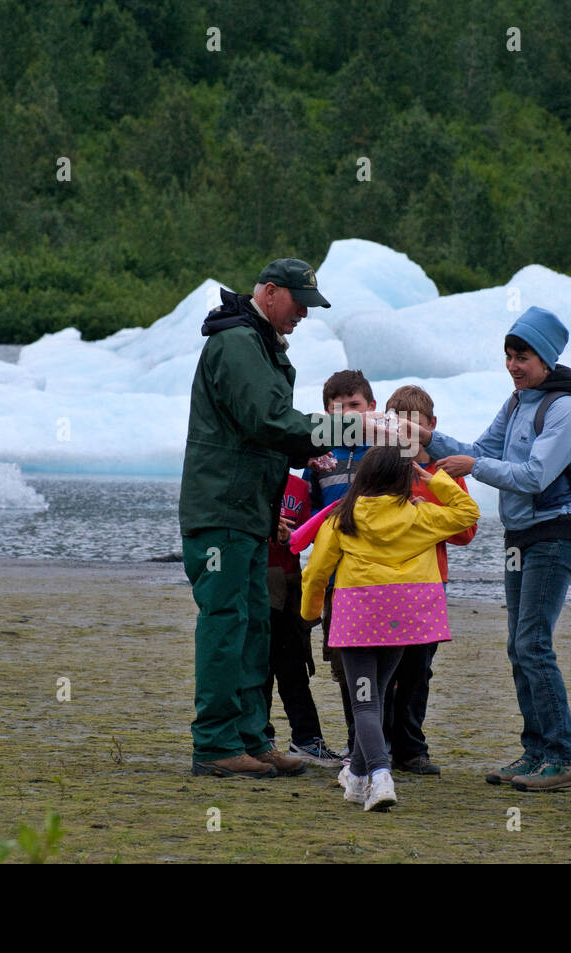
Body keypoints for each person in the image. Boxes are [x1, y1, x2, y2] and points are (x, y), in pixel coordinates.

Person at [179, 257, 356, 780]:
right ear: (271, 292)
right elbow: (268, 419)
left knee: (255, 625)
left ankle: (253, 739)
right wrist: (351, 431)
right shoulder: (237, 343)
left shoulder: (256, 341)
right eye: (299, 303)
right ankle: (214, 743)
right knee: (226, 624)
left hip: (249, 512)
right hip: (223, 510)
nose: (303, 313)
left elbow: (266, 429)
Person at [406, 306, 571, 792]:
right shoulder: (517, 403)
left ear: (546, 357)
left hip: (556, 535)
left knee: (533, 643)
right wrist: (430, 439)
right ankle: (537, 751)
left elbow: (532, 475)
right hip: (521, 537)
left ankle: (564, 756)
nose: (513, 364)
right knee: (520, 645)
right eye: (509, 355)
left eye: (523, 355)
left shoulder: (566, 410)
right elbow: (482, 450)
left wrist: (471, 467)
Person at [301, 446, 479, 812]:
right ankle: (357, 777)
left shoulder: (342, 518)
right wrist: (434, 479)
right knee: (376, 697)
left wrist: (309, 612)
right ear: (405, 479)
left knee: (363, 702)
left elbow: (317, 572)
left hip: (358, 621)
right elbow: (467, 513)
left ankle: (380, 774)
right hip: (405, 622)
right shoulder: (422, 516)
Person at [380, 385, 478, 776]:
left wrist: (428, 514)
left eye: (413, 428)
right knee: (384, 668)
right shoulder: (381, 468)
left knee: (418, 669)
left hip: (427, 588)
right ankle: (378, 744)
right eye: (396, 427)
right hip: (384, 586)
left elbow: (466, 530)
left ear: (431, 427)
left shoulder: (445, 470)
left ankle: (411, 747)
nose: (405, 436)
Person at [302, 369, 376, 759]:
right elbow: (309, 516)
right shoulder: (318, 459)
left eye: (354, 406)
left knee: (385, 664)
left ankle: (393, 745)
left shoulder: (385, 454)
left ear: (372, 408)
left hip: (379, 579)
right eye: (336, 409)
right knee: (345, 665)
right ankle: (356, 745)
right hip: (336, 581)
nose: (346, 414)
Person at [263, 471, 343, 767]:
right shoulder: (249, 478)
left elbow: (307, 535)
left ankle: (307, 740)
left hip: (291, 584)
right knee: (258, 667)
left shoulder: (299, 487)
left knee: (294, 665)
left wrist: (288, 535)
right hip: (255, 582)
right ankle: (261, 738)